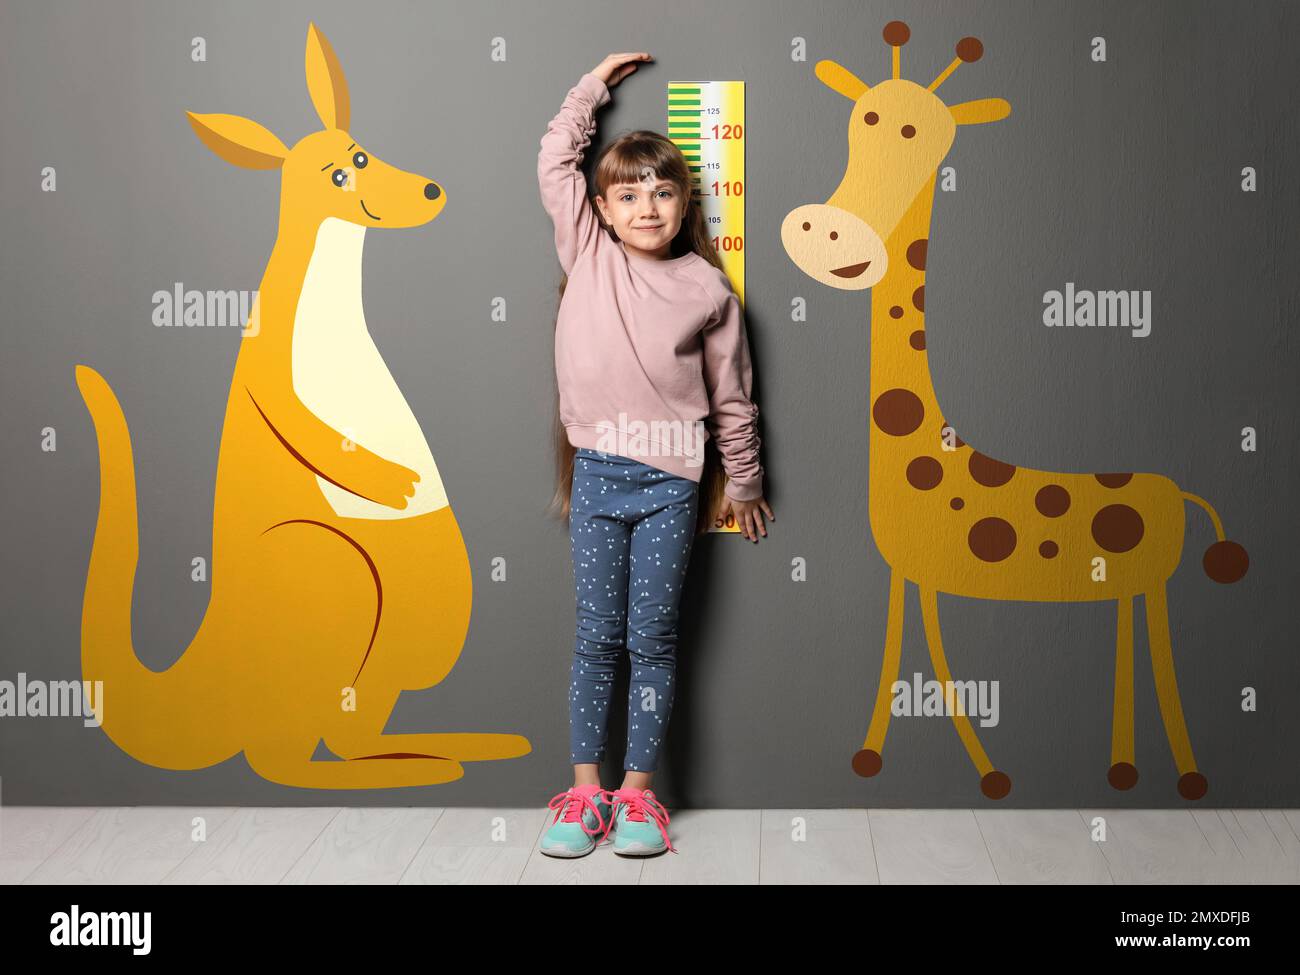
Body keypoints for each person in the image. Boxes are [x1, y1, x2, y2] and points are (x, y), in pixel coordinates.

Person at [535, 52, 774, 858]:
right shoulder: (588, 254)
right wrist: (592, 84)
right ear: (600, 208)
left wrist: (743, 481)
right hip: (599, 477)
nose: (647, 206)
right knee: (595, 636)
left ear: (684, 204)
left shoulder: (708, 289)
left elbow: (734, 395)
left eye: (663, 191)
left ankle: (638, 797)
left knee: (653, 638)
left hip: (673, 482)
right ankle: (584, 792)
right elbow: (554, 156)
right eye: (629, 194)